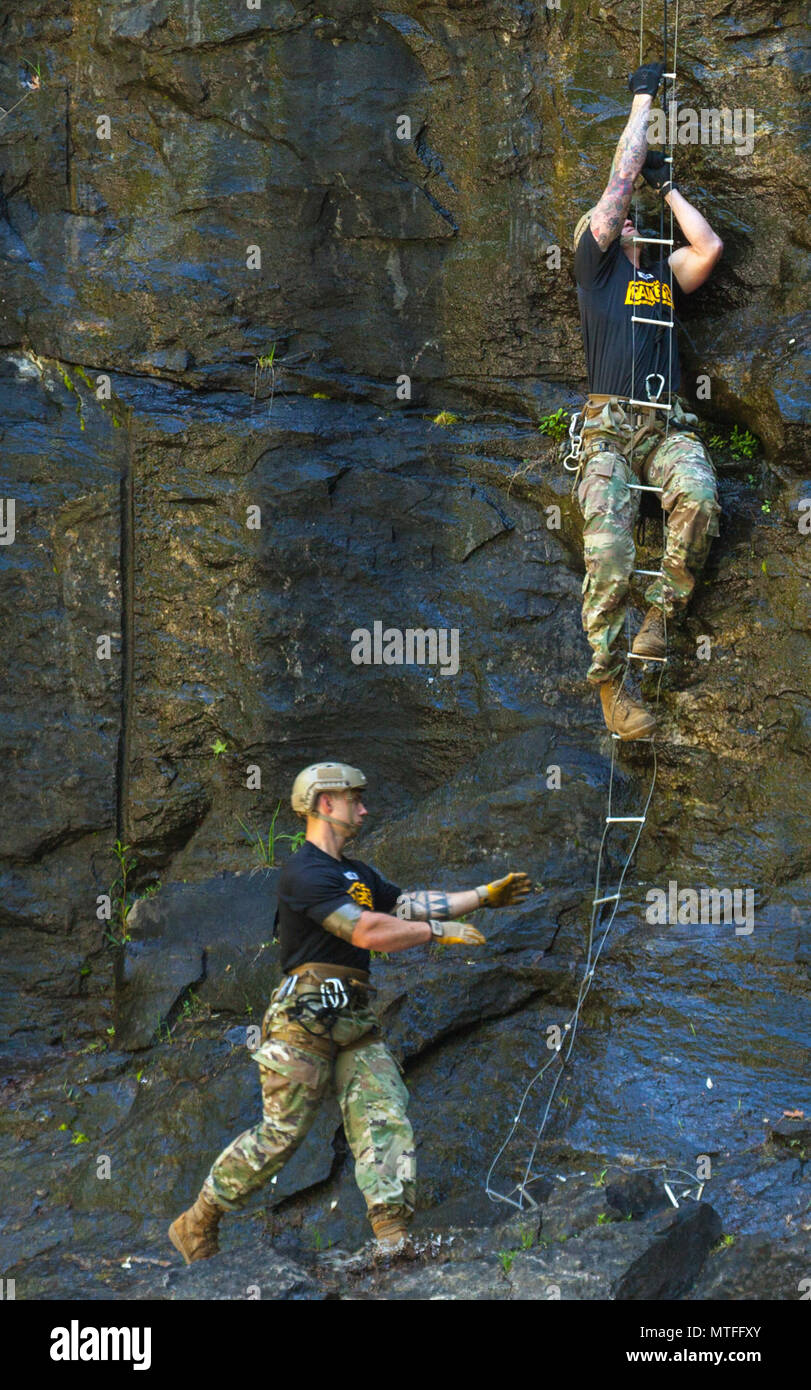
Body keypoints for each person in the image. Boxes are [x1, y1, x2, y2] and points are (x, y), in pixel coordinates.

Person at [168, 761, 531, 1262]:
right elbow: (364, 932)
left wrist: (482, 897)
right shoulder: (304, 871)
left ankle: (393, 1242)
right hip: (305, 1016)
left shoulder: (357, 873)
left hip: (354, 1018)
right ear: (324, 803)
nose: (363, 807)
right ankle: (198, 1221)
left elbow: (406, 904)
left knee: (384, 1114)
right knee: (282, 1133)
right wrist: (437, 934)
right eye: (353, 798)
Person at [572, 60, 723, 740]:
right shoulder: (594, 268)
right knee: (606, 552)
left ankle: (659, 620)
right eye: (614, 219)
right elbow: (617, 181)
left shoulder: (660, 277)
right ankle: (607, 685)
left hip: (664, 427)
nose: (622, 218)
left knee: (698, 498)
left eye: (627, 218)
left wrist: (667, 189)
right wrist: (640, 100)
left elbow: (709, 246)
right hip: (606, 432)